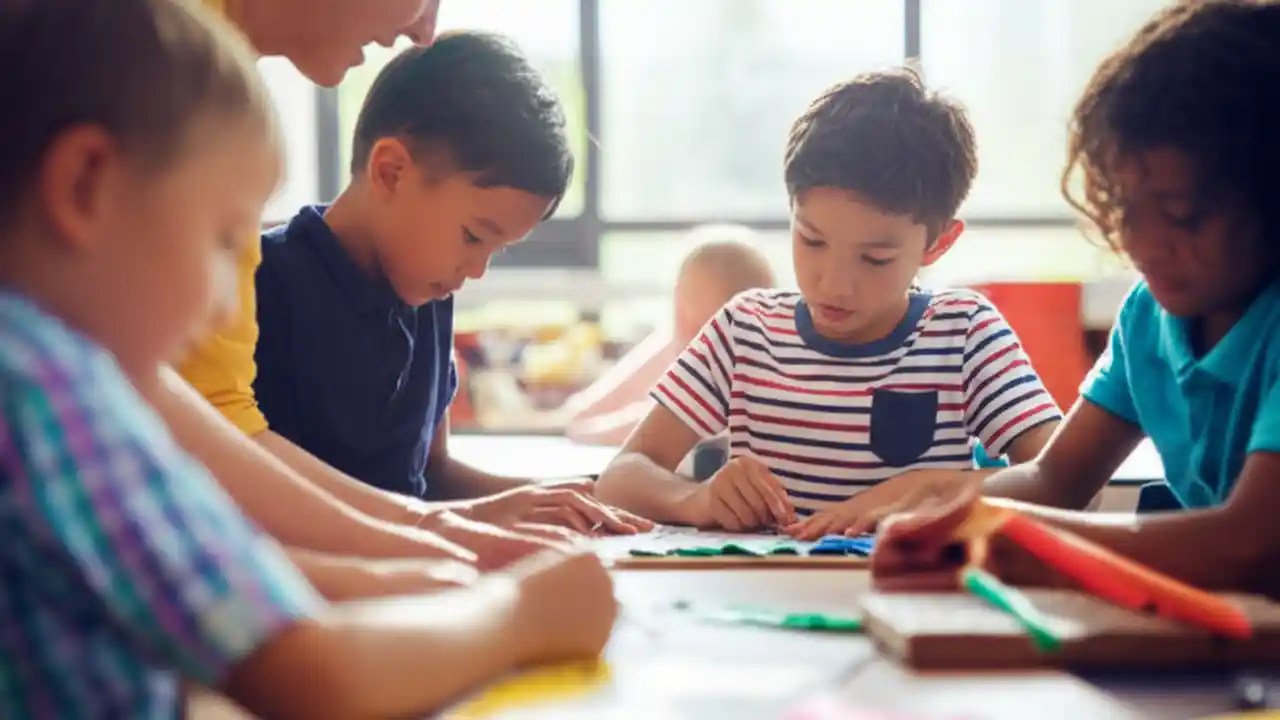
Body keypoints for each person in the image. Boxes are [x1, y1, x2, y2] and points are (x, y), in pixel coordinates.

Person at [0, 2, 616, 716]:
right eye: (223, 238)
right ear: (84, 186)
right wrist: (518, 615)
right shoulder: (44, 397)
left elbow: (227, 570)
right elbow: (311, 674)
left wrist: (436, 563)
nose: (229, 300)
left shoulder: (60, 379)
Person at [872, 0, 1280, 599]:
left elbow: (1245, 544)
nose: (1140, 242)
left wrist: (1017, 538)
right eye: (1124, 208)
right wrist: (940, 506)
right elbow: (1053, 476)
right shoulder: (1149, 316)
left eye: (1180, 215)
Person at [596, 70, 1062, 540]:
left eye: (875, 259)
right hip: (761, 597)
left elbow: (1065, 481)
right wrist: (696, 498)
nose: (835, 285)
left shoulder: (964, 335)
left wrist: (934, 489)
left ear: (938, 244)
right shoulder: (745, 331)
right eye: (812, 240)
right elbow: (622, 476)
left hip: (914, 599)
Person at [253, 32, 649, 535]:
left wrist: (570, 497)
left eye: (496, 249)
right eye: (473, 236)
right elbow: (262, 493)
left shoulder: (427, 293)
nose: (477, 270)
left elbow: (429, 475)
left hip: (420, 561)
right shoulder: (266, 283)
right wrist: (462, 519)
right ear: (391, 172)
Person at [565, 225, 775, 447]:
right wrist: (674, 341)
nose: (681, 314)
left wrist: (685, 339)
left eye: (689, 300)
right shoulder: (693, 347)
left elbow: (590, 429)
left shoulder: (733, 388)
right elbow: (580, 413)